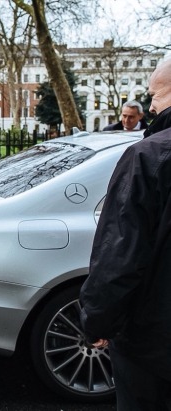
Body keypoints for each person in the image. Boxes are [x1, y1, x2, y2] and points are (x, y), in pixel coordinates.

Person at [80, 59, 171, 411]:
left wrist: (98, 320)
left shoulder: (148, 156)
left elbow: (120, 255)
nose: (150, 105)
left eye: (155, 93)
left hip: (154, 343)